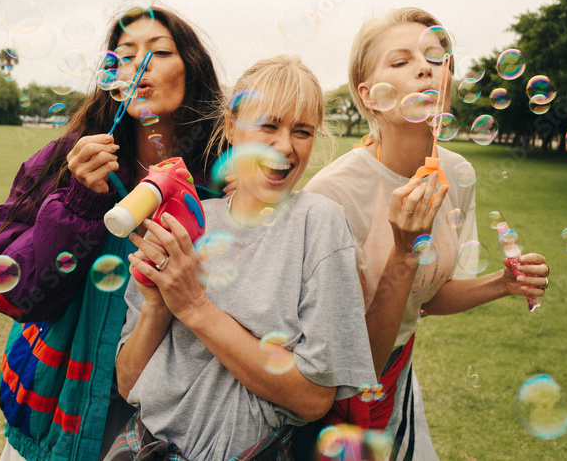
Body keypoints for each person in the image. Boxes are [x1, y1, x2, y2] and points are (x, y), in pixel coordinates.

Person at [0, 2, 225, 461]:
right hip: (61, 409)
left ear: (192, 69)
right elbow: (1, 283)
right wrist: (79, 199)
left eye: (159, 51)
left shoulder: (220, 179)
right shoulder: (67, 159)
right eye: (125, 54)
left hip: (175, 417)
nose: (140, 64)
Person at [301, 8, 551, 460]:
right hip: (335, 395)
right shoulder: (332, 193)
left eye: (435, 58)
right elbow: (357, 356)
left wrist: (503, 283)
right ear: (369, 95)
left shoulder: (457, 173)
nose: (424, 68)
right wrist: (402, 251)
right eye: (399, 63)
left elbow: (428, 299)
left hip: (398, 380)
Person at [105, 55, 377, 461]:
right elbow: (128, 385)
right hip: (142, 448)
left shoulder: (318, 222)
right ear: (231, 126)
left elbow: (314, 399)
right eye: (268, 125)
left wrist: (194, 305)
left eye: (301, 132)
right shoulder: (186, 222)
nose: (285, 146)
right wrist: (157, 306)